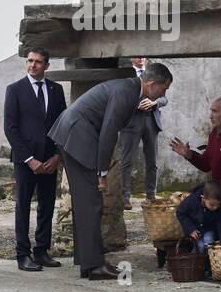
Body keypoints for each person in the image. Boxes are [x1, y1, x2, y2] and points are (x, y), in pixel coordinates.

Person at [49, 62, 172, 279]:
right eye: (164, 88)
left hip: (73, 132)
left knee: (85, 202)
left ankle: (88, 262)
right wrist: (102, 171)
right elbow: (109, 132)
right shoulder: (126, 93)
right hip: (78, 135)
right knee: (91, 202)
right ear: (152, 85)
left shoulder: (129, 89)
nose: (164, 93)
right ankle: (94, 266)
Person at [3, 47, 67, 271]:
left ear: (46, 65)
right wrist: (29, 159)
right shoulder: (15, 90)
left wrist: (57, 156)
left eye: (38, 62)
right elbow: (10, 128)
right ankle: (22, 254)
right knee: (23, 206)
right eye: (30, 61)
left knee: (47, 205)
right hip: (25, 160)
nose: (32, 65)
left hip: (49, 159)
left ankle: (42, 250)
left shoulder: (56, 90)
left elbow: (62, 124)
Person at [169, 95, 221, 201]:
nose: (210, 116)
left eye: (215, 111)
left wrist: (209, 193)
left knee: (188, 205)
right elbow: (206, 165)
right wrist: (188, 154)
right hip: (218, 186)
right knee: (180, 198)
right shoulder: (215, 133)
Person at [118, 56, 166, 207]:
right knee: (127, 161)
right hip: (131, 122)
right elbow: (120, 96)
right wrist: (134, 104)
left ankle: (151, 195)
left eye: (143, 54)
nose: (140, 57)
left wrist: (154, 102)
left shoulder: (154, 73)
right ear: (131, 57)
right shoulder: (125, 74)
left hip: (151, 121)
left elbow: (164, 99)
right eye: (137, 54)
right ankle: (125, 197)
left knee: (152, 161)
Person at [176, 179, 221, 255]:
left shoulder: (219, 209)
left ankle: (207, 261)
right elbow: (180, 213)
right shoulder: (191, 201)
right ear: (203, 198)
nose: (215, 207)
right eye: (212, 205)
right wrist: (190, 229)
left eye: (218, 205)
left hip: (208, 228)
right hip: (194, 229)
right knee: (199, 246)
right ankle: (197, 261)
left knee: (209, 243)